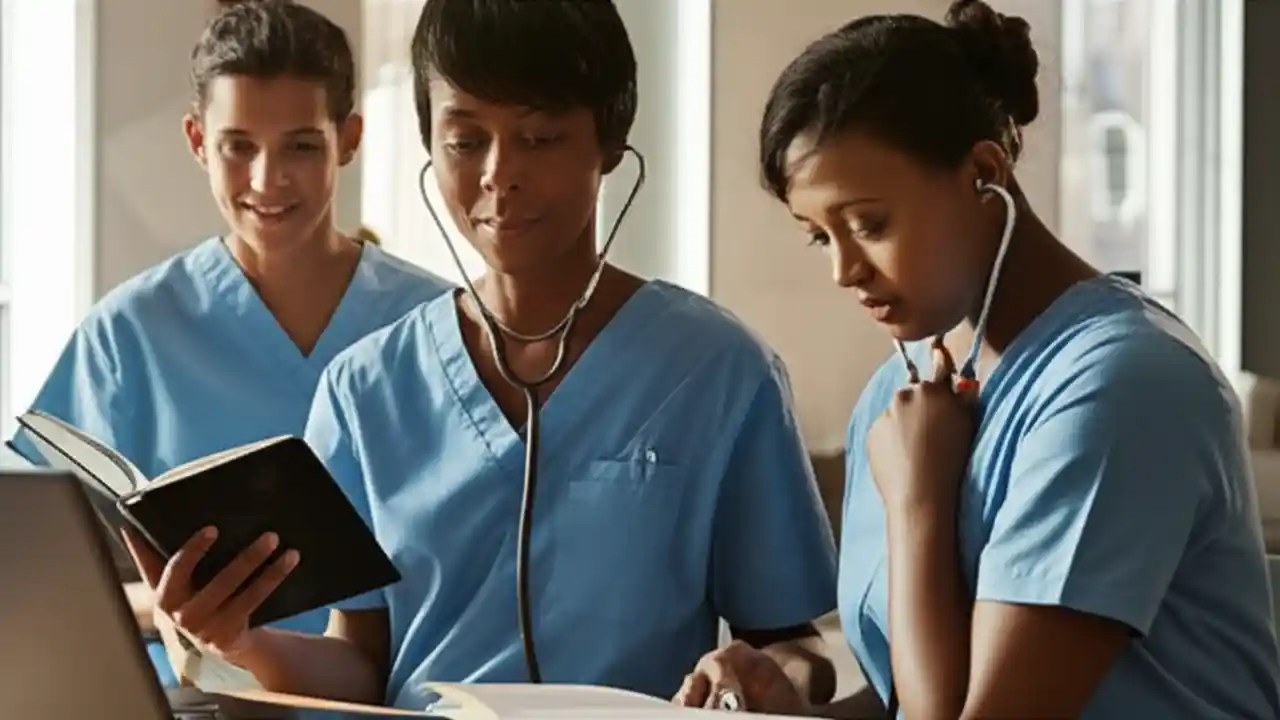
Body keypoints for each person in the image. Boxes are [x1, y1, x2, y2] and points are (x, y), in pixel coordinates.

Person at [123, 0, 841, 711]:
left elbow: (794, 645)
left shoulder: (719, 370)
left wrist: (767, 678)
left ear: (610, 142)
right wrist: (240, 642)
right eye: (466, 140)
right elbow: (362, 663)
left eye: (540, 137)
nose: (500, 174)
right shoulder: (365, 388)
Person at [688, 1, 1280, 718]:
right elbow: (913, 696)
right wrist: (799, 715)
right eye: (820, 236)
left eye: (868, 224)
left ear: (983, 171)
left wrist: (920, 504)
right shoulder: (898, 394)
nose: (844, 270)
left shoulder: (1121, 389)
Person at [13, 0, 451, 687]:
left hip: (385, 697)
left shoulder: (434, 326)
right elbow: (33, 559)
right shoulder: (132, 332)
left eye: (301, 146)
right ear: (196, 141)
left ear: (350, 138)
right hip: (196, 700)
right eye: (237, 145)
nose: (266, 180)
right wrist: (178, 614)